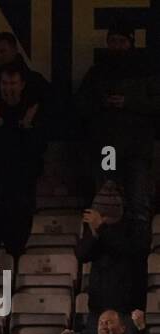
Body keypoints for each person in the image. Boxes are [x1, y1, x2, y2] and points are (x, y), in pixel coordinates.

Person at [73, 20, 158, 226]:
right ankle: (106, 252)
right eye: (112, 41)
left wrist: (128, 102)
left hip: (136, 149)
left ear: (131, 42)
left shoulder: (146, 71)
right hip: (107, 148)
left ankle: (137, 252)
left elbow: (156, 103)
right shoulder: (97, 72)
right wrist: (103, 102)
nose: (117, 46)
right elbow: (81, 106)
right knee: (105, 201)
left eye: (121, 41)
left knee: (137, 202)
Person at [0, 65, 48, 256]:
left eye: (13, 83)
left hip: (19, 197)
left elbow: (38, 153)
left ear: (22, 85)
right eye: (5, 83)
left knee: (16, 250)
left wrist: (28, 127)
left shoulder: (33, 112)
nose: (8, 88)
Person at [77, 182, 149, 334]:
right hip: (98, 311)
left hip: (126, 311)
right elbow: (82, 255)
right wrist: (95, 233)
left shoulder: (134, 228)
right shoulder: (95, 229)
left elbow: (127, 250)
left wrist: (102, 229)